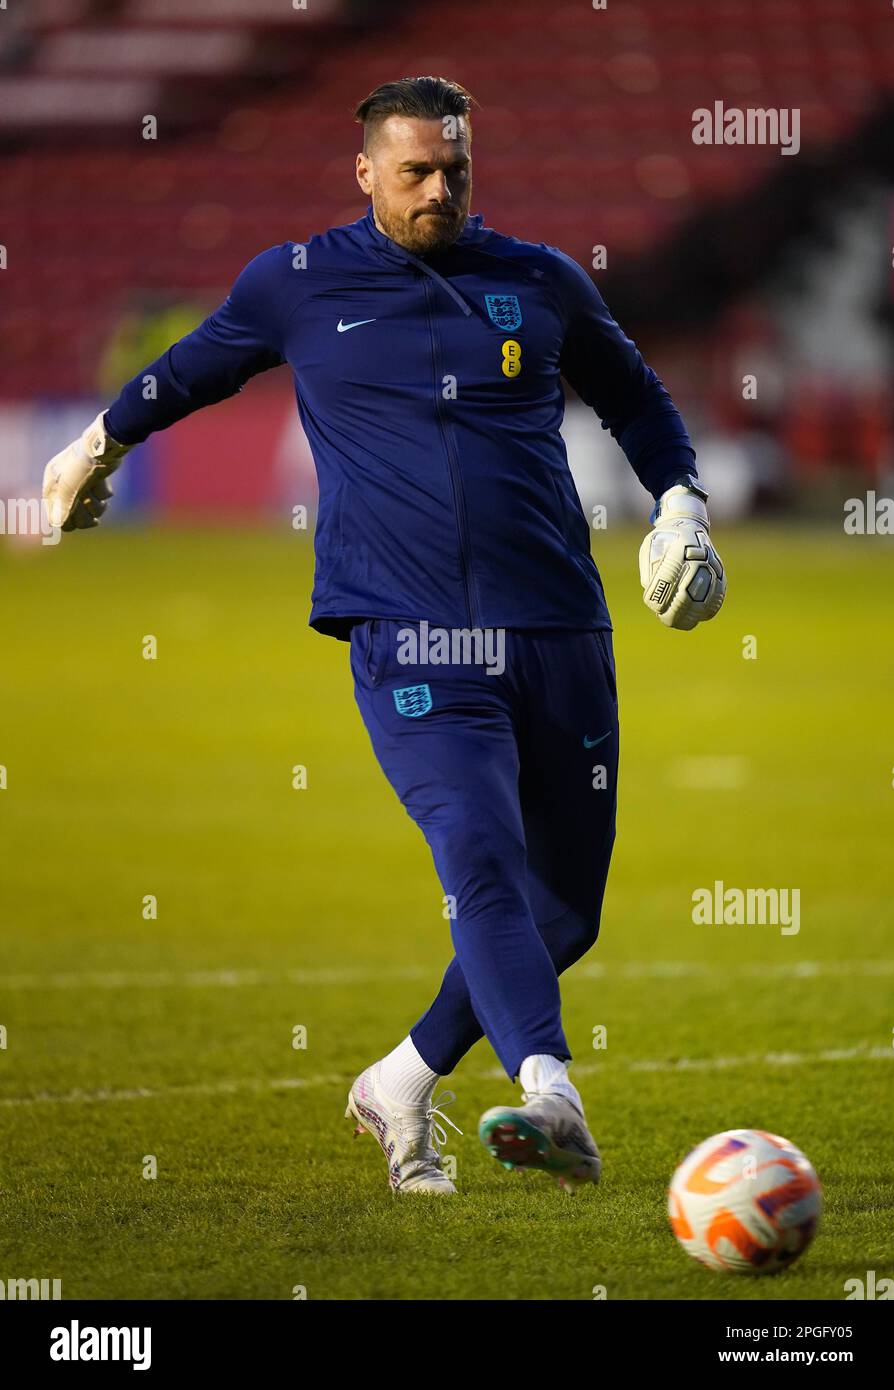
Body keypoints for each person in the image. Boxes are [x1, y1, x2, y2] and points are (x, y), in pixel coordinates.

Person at [42, 75, 725, 1196]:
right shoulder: (298, 284)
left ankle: (400, 1078)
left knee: (567, 909)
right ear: (365, 172)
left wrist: (682, 501)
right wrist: (92, 448)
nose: (438, 190)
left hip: (559, 626)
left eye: (456, 169)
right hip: (408, 637)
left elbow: (638, 400)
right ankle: (551, 1088)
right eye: (415, 171)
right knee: (483, 853)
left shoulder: (537, 279)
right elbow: (193, 367)